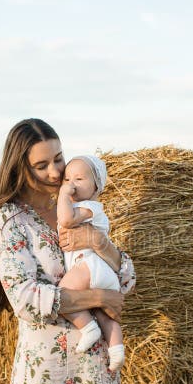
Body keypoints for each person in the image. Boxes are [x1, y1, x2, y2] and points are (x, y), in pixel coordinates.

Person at [0, 118, 136, 384]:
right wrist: (99, 298)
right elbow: (29, 300)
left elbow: (125, 278)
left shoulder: (85, 207)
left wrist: (100, 244)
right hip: (45, 379)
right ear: (20, 167)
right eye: (41, 164)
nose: (55, 172)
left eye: (59, 159)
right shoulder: (7, 221)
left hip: (95, 372)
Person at [56, 155, 126, 372]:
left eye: (79, 179)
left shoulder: (90, 207)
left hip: (88, 266)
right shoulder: (88, 207)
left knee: (63, 294)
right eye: (67, 179)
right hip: (101, 272)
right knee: (106, 316)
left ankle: (87, 328)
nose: (71, 185)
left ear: (97, 187)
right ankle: (116, 351)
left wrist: (62, 196)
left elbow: (66, 220)